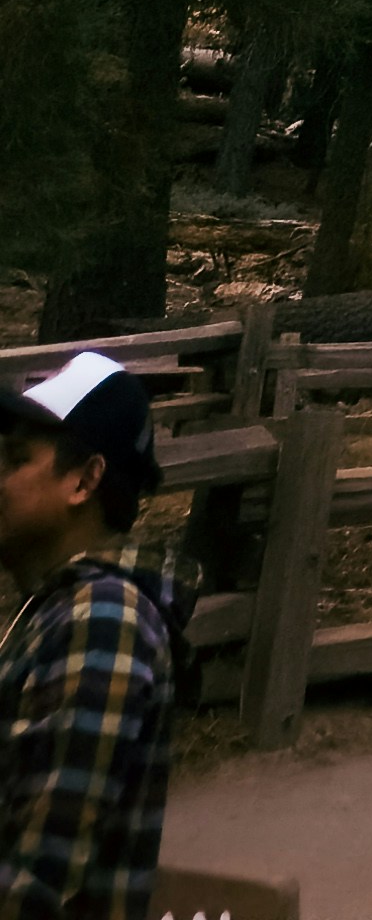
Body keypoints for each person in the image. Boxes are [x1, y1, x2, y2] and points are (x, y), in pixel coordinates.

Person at [0, 352, 177, 920]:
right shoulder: (55, 609)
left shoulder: (103, 620)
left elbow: (30, 885)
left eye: (15, 460)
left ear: (84, 479)